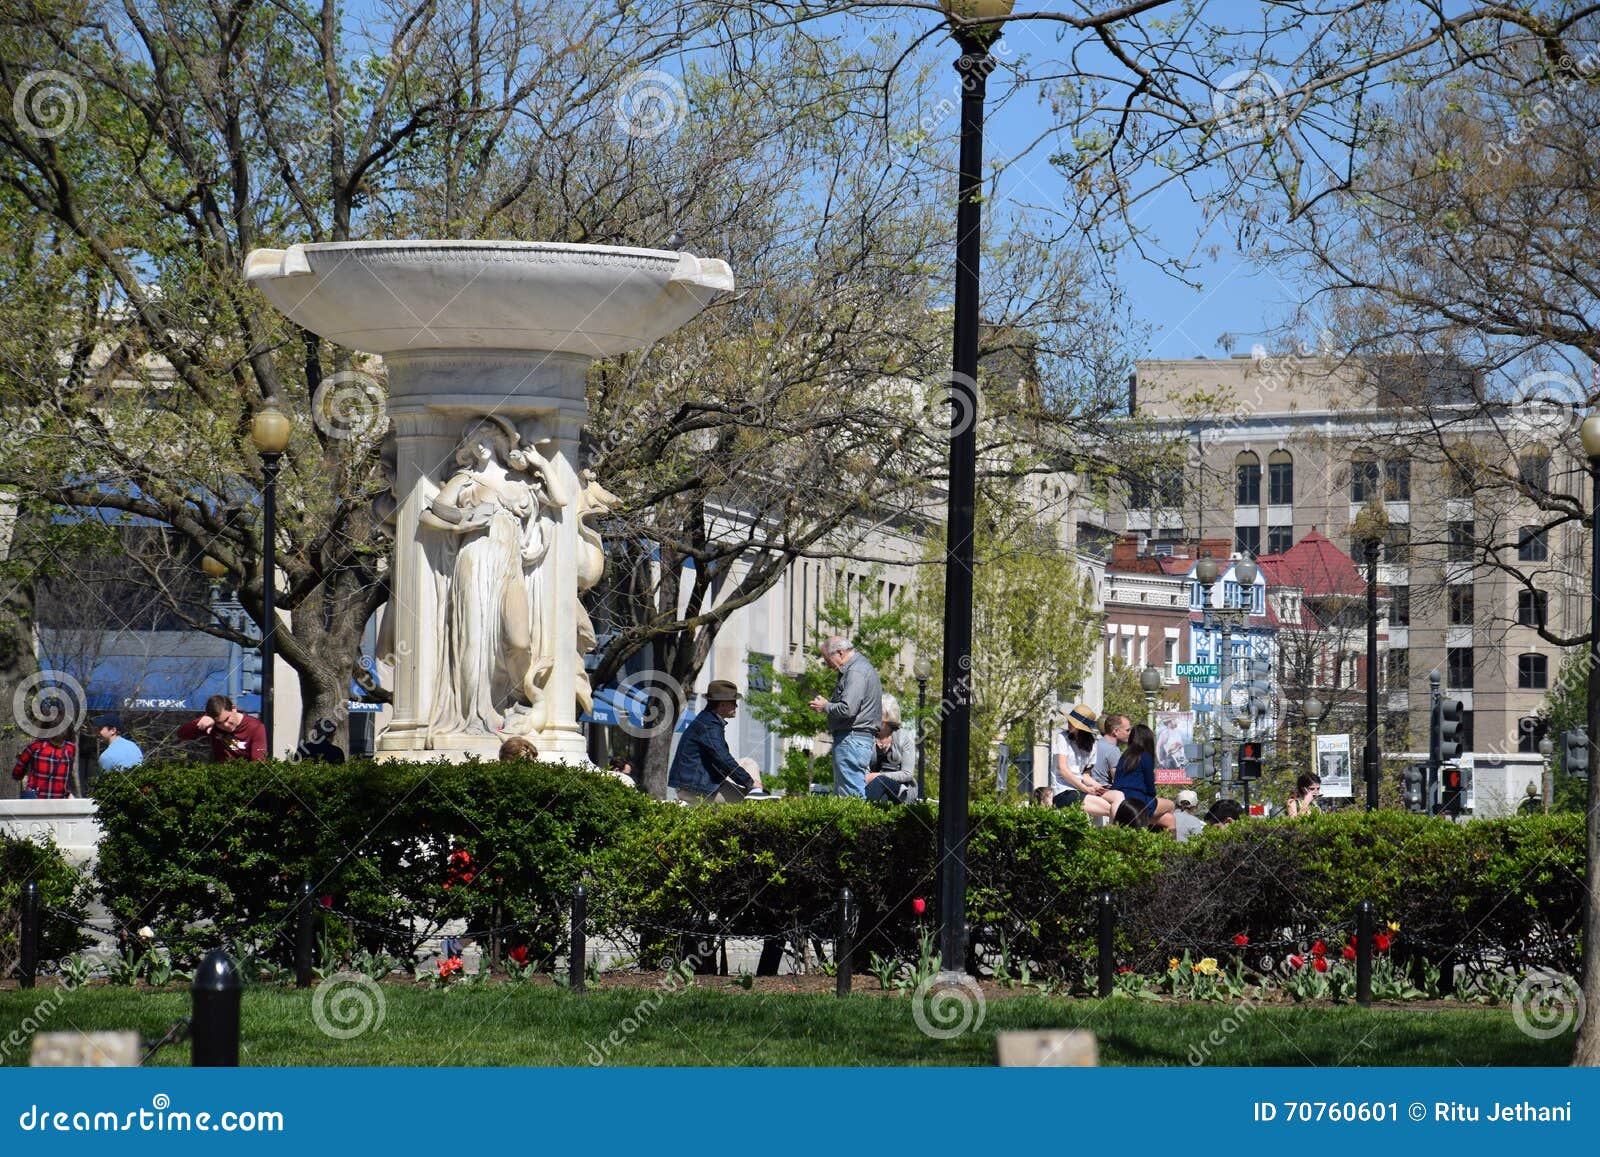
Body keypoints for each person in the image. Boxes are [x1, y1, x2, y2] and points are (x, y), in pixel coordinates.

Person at [809, 636, 882, 798]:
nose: (829, 666)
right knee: (849, 796)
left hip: (851, 740)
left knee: (850, 800)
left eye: (828, 660)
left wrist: (825, 706)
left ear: (840, 653)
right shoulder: (861, 667)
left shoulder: (855, 671)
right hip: (856, 741)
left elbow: (848, 708)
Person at [668, 680, 761, 803]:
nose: (736, 706)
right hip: (694, 788)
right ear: (722, 705)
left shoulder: (709, 719)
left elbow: (723, 761)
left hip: (703, 779)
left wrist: (751, 784)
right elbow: (723, 759)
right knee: (747, 802)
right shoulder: (709, 726)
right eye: (733, 702)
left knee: (749, 763)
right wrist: (749, 782)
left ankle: (756, 792)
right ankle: (755, 793)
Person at [1107, 723, 1175, 832]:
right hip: (1139, 799)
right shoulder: (1146, 756)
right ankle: (1160, 842)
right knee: (1171, 805)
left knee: (1168, 819)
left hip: (1121, 798)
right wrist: (1152, 796)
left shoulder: (1125, 755)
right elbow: (1150, 786)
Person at [177, 695, 267, 762]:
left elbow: (259, 761)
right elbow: (182, 734)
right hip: (219, 776)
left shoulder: (255, 727)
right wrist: (199, 723)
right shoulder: (213, 726)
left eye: (227, 719)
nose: (226, 725)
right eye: (219, 723)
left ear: (233, 709)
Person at [11, 707, 76, 799]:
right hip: (60, 801)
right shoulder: (70, 749)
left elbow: (16, 774)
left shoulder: (35, 747)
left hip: (35, 801)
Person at [1049, 703, 1104, 810]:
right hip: (1063, 791)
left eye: (1073, 722)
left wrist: (1099, 786)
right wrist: (1085, 789)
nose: (1069, 723)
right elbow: (1063, 770)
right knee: (1108, 807)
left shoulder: (1092, 745)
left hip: (1080, 789)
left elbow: (1085, 775)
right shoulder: (1062, 738)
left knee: (1115, 798)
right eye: (1069, 720)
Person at [866, 693, 917, 803]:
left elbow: (907, 774)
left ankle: (859, 816)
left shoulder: (905, 737)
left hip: (901, 790)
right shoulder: (869, 737)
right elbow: (864, 769)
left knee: (880, 781)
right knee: (880, 798)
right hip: (876, 788)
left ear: (887, 716)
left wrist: (877, 775)